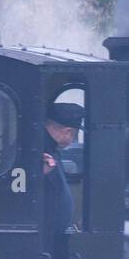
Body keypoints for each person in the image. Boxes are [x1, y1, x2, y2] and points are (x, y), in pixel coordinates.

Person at [42, 100, 83, 242]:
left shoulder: (51, 148)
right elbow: (19, 186)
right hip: (44, 237)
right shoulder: (40, 148)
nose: (72, 140)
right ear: (68, 132)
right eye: (74, 135)